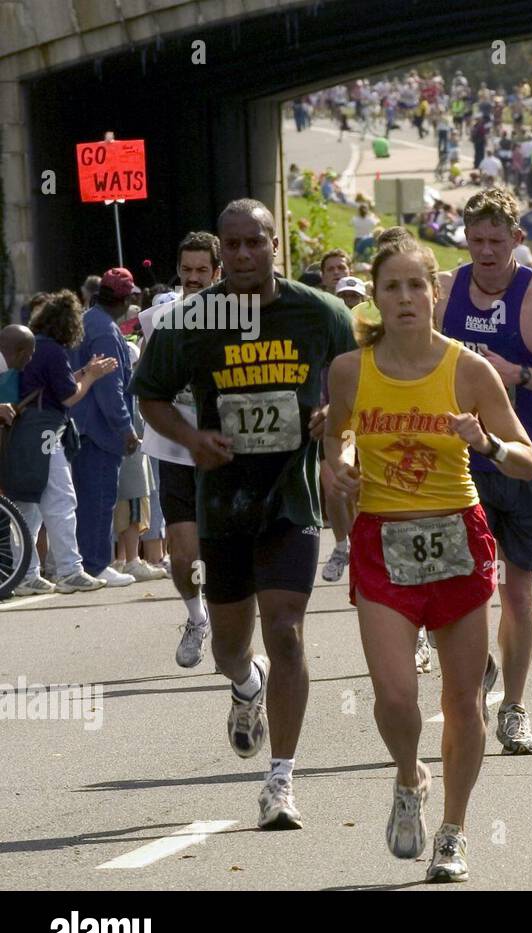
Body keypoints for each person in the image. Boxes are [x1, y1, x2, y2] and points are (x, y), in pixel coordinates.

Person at [133, 198, 356, 830]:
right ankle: (244, 685)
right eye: (230, 246)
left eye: (253, 243)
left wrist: (333, 419)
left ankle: (280, 781)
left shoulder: (322, 314)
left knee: (285, 630)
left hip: (291, 497)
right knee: (232, 646)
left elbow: (359, 378)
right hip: (223, 503)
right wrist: (193, 438)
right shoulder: (190, 321)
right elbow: (149, 395)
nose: (241, 256)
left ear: (274, 244)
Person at [324, 234, 532, 883]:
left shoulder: (467, 369)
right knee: (393, 697)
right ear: (376, 297)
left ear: (436, 293)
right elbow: (339, 442)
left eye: (418, 285)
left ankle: (453, 829)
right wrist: (342, 468)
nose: (407, 297)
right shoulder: (349, 369)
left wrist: (489, 442)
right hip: (382, 540)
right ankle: (408, 772)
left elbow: (527, 460)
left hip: (456, 540)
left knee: (464, 698)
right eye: (393, 286)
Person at [436, 188, 532, 755]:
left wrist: (517, 374)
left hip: (524, 457)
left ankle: (515, 707)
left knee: (518, 593)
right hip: (456, 458)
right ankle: (475, 677)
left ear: (517, 240)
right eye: (475, 240)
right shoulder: (445, 290)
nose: (484, 252)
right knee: (462, 589)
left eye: (495, 241)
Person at [137, 232, 222, 666]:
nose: (193, 279)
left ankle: (235, 627)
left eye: (201, 272)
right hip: (173, 451)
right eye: (186, 271)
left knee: (227, 553)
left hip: (226, 453)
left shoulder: (242, 319)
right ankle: (197, 617)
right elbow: (146, 382)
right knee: (184, 555)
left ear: (217, 273)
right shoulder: (156, 320)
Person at [12, 293, 118, 595]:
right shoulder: (53, 351)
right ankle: (70, 569)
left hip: (24, 432)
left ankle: (26, 574)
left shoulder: (32, 346)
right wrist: (93, 376)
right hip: (46, 433)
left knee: (28, 505)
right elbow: (69, 396)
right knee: (61, 499)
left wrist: (84, 371)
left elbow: (50, 386)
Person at [70, 268, 141, 588]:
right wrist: (126, 428)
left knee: (87, 498)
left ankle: (88, 562)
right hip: (98, 430)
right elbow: (109, 388)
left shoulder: (90, 320)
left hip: (83, 426)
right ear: (125, 300)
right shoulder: (105, 331)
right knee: (99, 498)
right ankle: (96, 564)